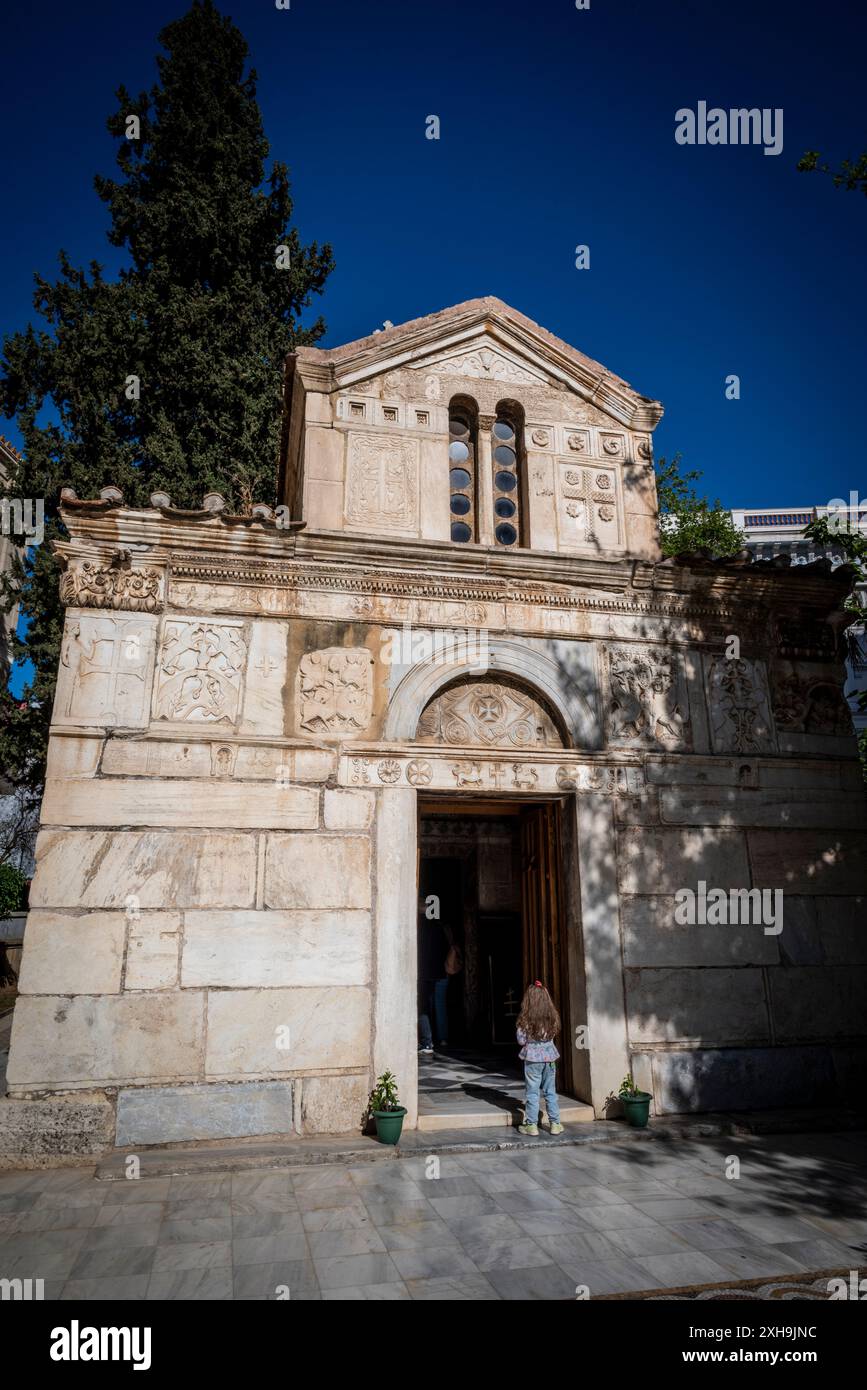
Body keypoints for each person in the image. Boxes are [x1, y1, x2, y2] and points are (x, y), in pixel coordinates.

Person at [516, 980, 563, 1136]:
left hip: (532, 1060)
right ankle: (555, 1124)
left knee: (532, 1093)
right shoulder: (552, 1018)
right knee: (550, 1091)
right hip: (549, 1059)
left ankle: (531, 1125)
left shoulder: (526, 1020)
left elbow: (521, 1040)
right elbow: (554, 1033)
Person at [418, 915, 449, 1053]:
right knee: (440, 1004)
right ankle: (442, 1038)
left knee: (424, 1006)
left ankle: (427, 1041)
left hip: (426, 973)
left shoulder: (421, 927)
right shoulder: (441, 927)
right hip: (442, 971)